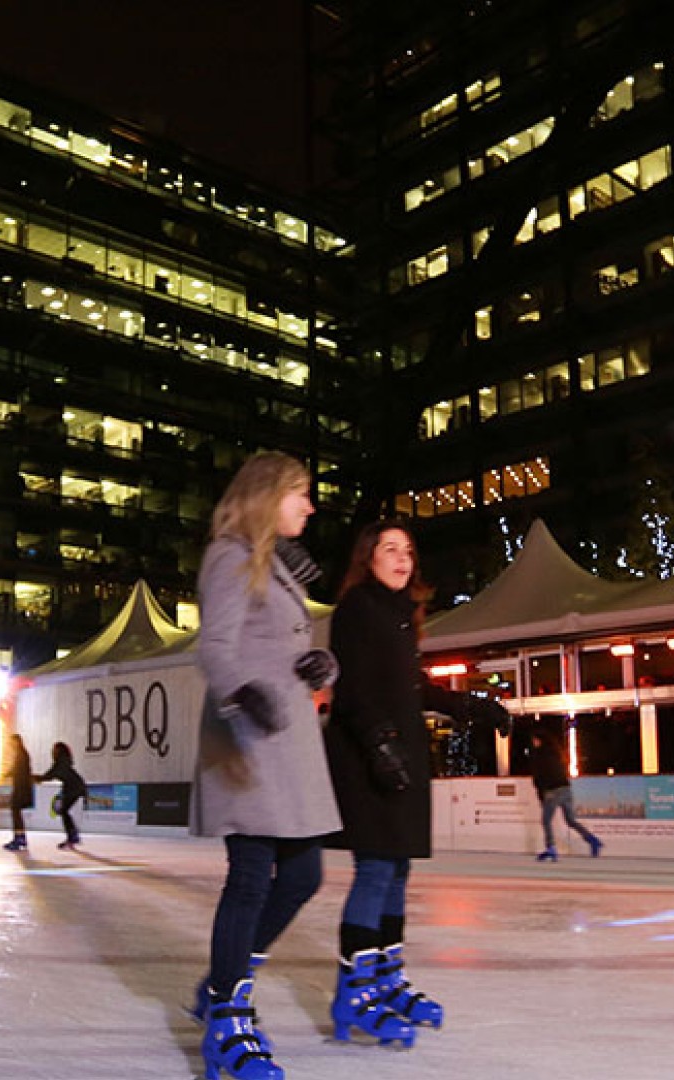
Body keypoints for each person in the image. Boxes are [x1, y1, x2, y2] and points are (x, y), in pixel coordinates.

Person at [188, 451, 347, 1078]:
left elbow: (284, 643)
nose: (309, 506)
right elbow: (215, 647)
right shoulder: (230, 556)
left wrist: (319, 665)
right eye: (299, 493)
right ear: (267, 495)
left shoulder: (277, 562)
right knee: (252, 878)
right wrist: (242, 693)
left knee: (303, 875)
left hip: (289, 740)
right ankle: (228, 1018)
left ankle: (222, 982)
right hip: (250, 738)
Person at [324, 520, 510, 1042]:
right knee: (375, 870)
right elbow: (352, 688)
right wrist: (379, 744)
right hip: (369, 757)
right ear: (368, 558)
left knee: (397, 871)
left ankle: (386, 980)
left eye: (407, 550)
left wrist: (471, 705)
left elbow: (412, 688)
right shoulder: (357, 607)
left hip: (401, 756)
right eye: (390, 549)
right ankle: (354, 991)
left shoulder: (401, 615)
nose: (402, 558)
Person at [531, 727, 602, 861]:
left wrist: (541, 795)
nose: (533, 743)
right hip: (566, 789)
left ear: (539, 740)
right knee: (570, 820)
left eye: (534, 740)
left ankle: (551, 848)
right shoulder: (555, 753)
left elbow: (539, 776)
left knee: (546, 821)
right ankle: (592, 840)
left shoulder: (539, 755)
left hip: (552, 790)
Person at [39, 741, 88, 850]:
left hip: (74, 788)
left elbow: (48, 776)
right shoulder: (63, 762)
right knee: (64, 811)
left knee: (64, 811)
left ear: (59, 751)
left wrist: (32, 778)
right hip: (76, 787)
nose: (52, 752)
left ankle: (72, 836)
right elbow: (49, 776)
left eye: (54, 750)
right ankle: (73, 835)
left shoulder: (61, 763)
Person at [3, 734, 34, 851]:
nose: (10, 745)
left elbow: (20, 772)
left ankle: (19, 838)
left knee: (15, 811)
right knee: (16, 812)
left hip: (21, 788)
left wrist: (8, 774)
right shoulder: (21, 754)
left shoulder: (21, 755)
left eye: (12, 743)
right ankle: (20, 837)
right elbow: (17, 770)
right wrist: (7, 774)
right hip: (20, 787)